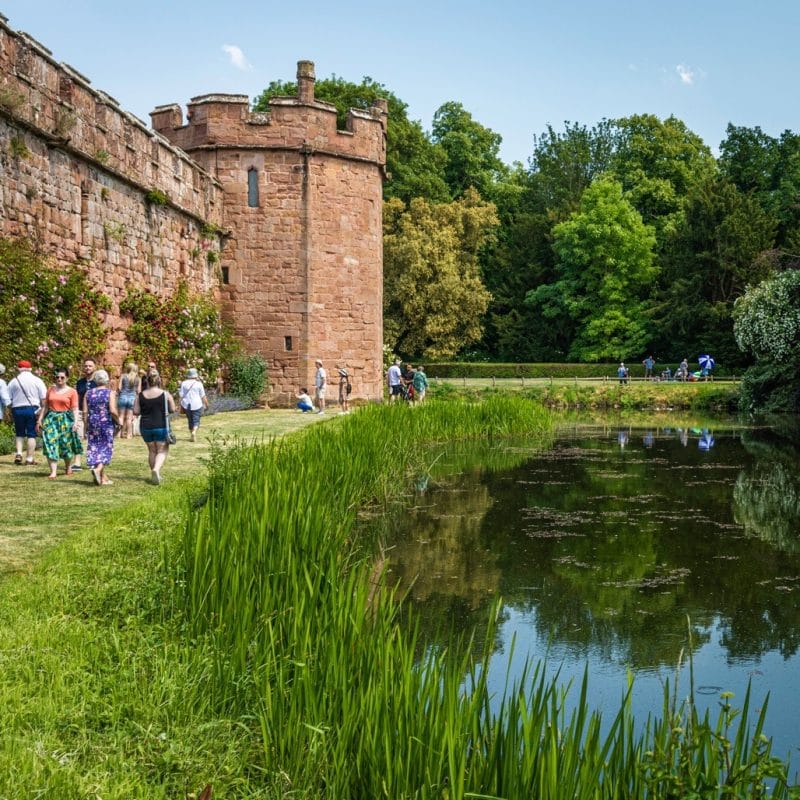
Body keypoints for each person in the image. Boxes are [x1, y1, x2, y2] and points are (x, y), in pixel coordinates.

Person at [36, 368, 83, 479]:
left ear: (67, 378)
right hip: (51, 419)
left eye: (62, 377)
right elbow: (46, 406)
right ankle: (53, 471)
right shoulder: (50, 390)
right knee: (50, 442)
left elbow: (75, 408)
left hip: (66, 419)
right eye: (57, 377)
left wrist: (76, 422)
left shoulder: (72, 391)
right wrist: (40, 419)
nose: (59, 379)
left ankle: (68, 467)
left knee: (65, 444)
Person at [133, 369, 175, 486]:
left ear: (147, 381)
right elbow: (172, 409)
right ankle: (156, 470)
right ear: (159, 380)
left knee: (152, 450)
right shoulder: (165, 394)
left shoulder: (140, 395)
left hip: (145, 427)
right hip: (160, 425)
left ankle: (155, 474)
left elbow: (136, 411)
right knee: (162, 450)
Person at [7, 360, 47, 465]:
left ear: (19, 368)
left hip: (17, 408)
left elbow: (8, 398)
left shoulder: (13, 381)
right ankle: (29, 458)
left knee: (19, 433)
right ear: (30, 369)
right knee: (31, 434)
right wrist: (42, 411)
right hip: (32, 408)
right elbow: (44, 398)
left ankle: (19, 453)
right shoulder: (37, 380)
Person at [84, 369, 119, 486]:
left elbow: (85, 412)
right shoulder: (110, 393)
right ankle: (98, 469)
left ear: (95, 380)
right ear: (107, 380)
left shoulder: (88, 393)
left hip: (92, 422)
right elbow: (113, 410)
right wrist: (119, 421)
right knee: (105, 447)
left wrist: (85, 426)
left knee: (94, 447)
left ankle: (102, 478)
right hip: (105, 423)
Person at [73, 358, 97, 470]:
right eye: (86, 366)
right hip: (80, 411)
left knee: (92, 437)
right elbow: (77, 398)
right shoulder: (80, 382)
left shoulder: (97, 382)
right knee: (78, 436)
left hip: (93, 412)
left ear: (95, 367)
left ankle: (92, 461)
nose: (87, 368)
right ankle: (77, 463)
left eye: (90, 366)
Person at [179, 367, 209, 442]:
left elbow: (181, 395)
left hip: (187, 404)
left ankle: (191, 435)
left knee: (190, 420)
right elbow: (203, 396)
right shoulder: (199, 384)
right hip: (197, 404)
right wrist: (207, 404)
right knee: (196, 420)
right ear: (196, 375)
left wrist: (179, 404)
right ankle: (194, 432)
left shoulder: (184, 383)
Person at [116, 362, 139, 439]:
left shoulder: (123, 376)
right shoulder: (138, 378)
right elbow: (138, 391)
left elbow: (119, 388)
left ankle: (119, 434)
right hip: (132, 398)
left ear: (128, 368)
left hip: (123, 397)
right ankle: (129, 434)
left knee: (121, 417)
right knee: (129, 418)